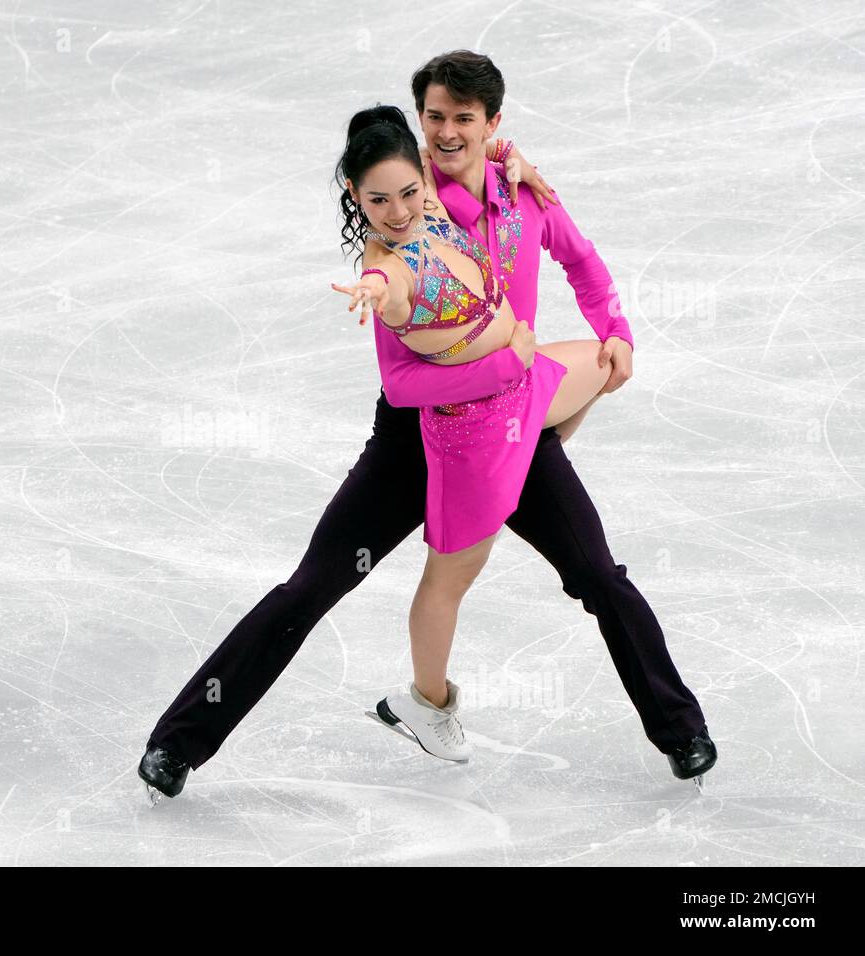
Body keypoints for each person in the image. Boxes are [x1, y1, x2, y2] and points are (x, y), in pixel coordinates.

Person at [138, 51, 716, 802]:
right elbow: (402, 375)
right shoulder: (410, 212)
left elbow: (584, 263)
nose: (446, 133)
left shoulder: (521, 192)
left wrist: (615, 329)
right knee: (312, 587)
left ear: (491, 124)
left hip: (510, 429)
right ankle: (177, 743)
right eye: (434, 118)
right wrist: (500, 360)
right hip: (414, 438)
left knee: (599, 577)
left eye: (463, 121)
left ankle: (681, 731)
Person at [328, 103, 615, 762]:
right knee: (450, 579)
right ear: (356, 196)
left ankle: (532, 456)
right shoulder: (389, 266)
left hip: (530, 385)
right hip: (479, 426)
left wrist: (513, 156)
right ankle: (427, 703)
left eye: (407, 190)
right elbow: (387, 283)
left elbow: (462, 148)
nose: (398, 209)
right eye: (379, 199)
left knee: (605, 360)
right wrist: (373, 290)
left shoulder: (427, 193)